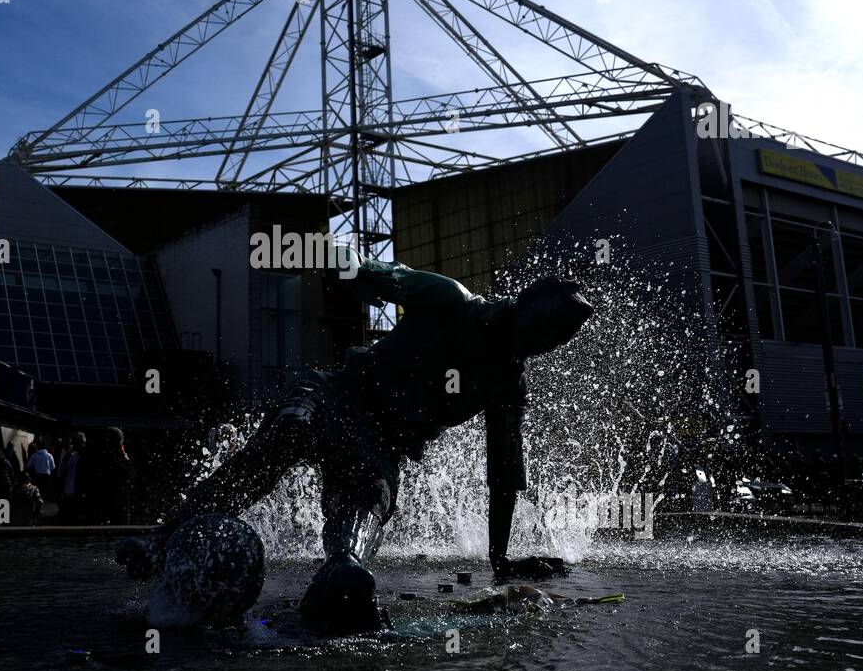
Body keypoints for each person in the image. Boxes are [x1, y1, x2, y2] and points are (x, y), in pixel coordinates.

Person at [118, 252, 593, 633]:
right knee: (289, 433)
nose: (543, 345)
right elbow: (370, 273)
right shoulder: (451, 300)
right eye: (542, 331)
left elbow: (503, 478)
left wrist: (501, 561)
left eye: (554, 342)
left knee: (369, 500)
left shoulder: (508, 382)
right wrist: (343, 281)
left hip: (380, 441)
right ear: (524, 306)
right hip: (334, 393)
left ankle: (341, 570)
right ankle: (163, 541)